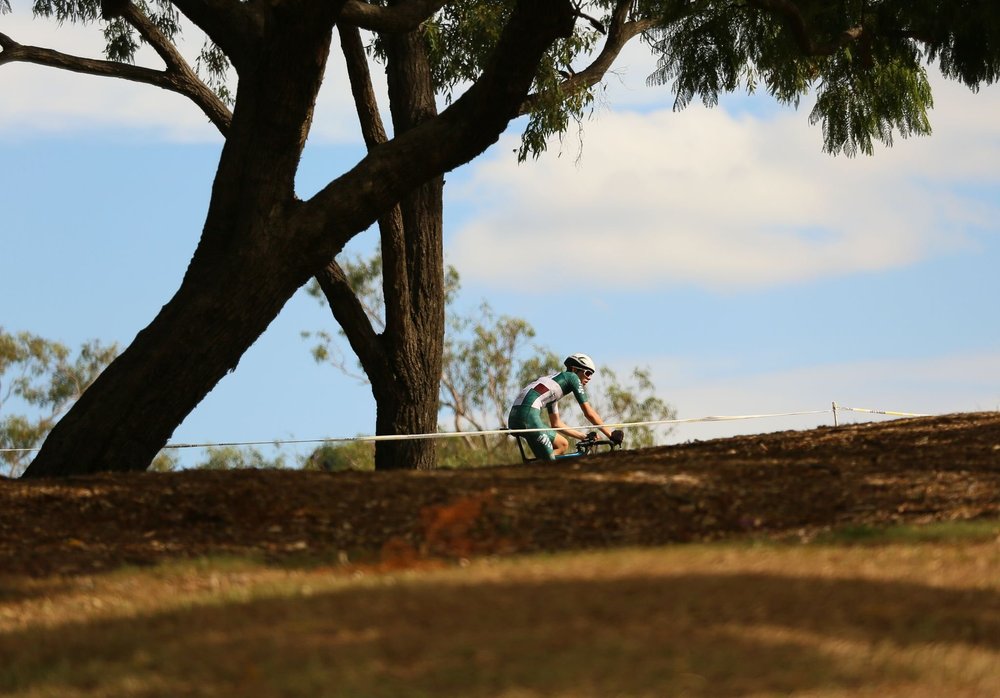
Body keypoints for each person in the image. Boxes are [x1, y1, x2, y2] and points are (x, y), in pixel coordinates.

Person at [507, 353, 623, 461]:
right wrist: (611, 434)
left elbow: (556, 423)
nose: (589, 378)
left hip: (516, 417)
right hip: (528, 416)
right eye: (587, 373)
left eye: (591, 374)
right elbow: (589, 413)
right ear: (574, 369)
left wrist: (584, 436)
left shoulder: (553, 385)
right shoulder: (572, 377)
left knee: (562, 444)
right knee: (549, 463)